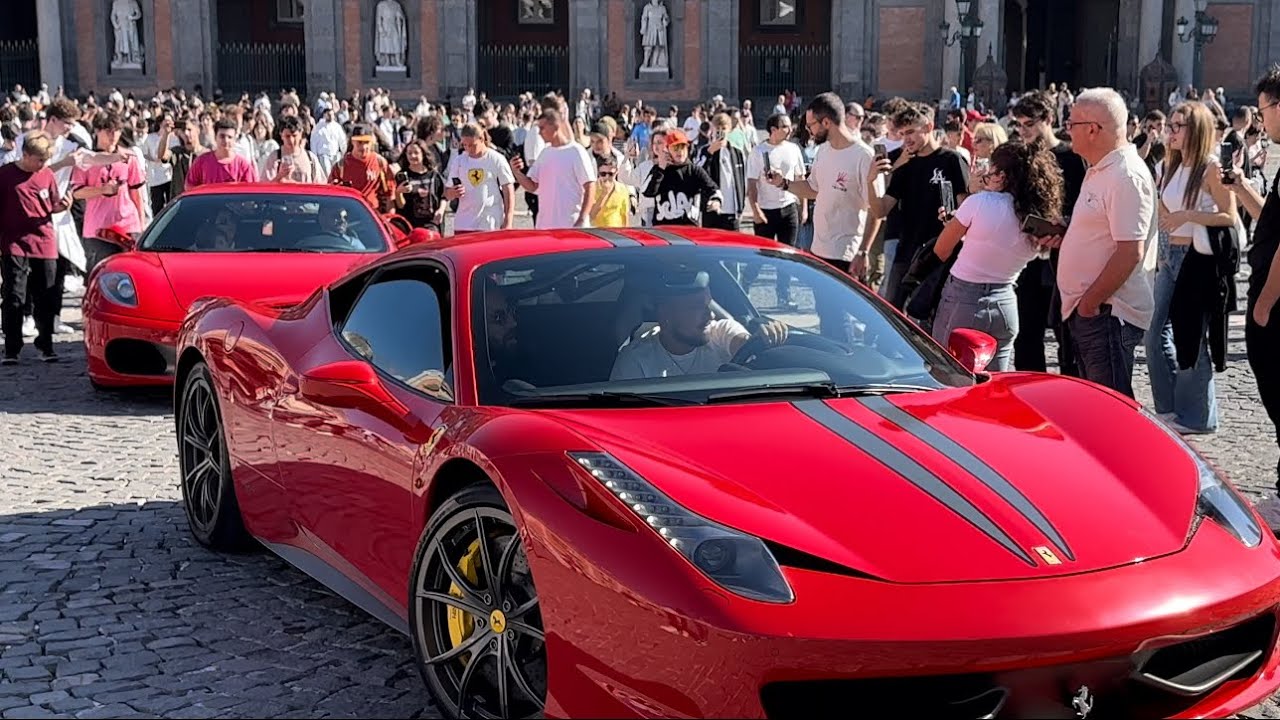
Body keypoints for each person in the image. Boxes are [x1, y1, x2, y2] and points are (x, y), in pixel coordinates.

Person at [1050, 88, 1157, 398]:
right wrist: (1067, 231)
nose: (1067, 130)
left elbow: (1129, 251)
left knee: (1111, 409)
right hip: (1094, 311)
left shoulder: (1125, 175)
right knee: (1094, 407)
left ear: (1093, 129)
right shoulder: (1101, 169)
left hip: (1108, 313)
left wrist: (1090, 303)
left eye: (1071, 124)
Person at [927, 142, 1065, 370]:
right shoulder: (1033, 217)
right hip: (1005, 300)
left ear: (1001, 175)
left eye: (990, 172)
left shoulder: (979, 202)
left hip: (964, 297)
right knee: (994, 384)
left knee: (949, 373)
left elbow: (941, 250)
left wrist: (954, 224)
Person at [1146, 101, 1238, 435]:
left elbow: (1229, 217)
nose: (1169, 132)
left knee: (1191, 336)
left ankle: (1198, 416)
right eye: (1169, 125)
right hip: (1169, 254)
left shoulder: (1209, 167)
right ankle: (1170, 407)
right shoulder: (1170, 165)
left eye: (1176, 126)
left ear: (1194, 130)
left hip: (1196, 258)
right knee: (1154, 334)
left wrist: (1188, 216)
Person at [1226, 67, 1280, 531]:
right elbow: (1273, 223)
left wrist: (1263, 303)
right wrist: (1242, 187)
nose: (1261, 121)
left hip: (1277, 305)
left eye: (1264, 111)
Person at [610, 270, 786, 380]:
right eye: (695, 308)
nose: (710, 315)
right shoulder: (636, 361)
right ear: (665, 316)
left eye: (708, 305)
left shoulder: (721, 332)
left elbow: (745, 343)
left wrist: (765, 338)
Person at [1, 132, 69, 364]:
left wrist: (64, 205)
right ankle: (12, 348)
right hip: (14, 242)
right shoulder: (6, 175)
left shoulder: (46, 174)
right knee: (14, 296)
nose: (42, 165)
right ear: (26, 155)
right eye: (38, 160)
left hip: (44, 241)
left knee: (46, 294)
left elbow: (52, 205)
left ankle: (45, 345)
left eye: (45, 161)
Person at [329, 124, 395, 213]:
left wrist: (388, 218)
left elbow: (390, 194)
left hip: (373, 215)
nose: (363, 147)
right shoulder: (341, 165)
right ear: (352, 142)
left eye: (367, 142)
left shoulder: (380, 162)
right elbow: (331, 194)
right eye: (359, 142)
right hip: (350, 215)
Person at [185, 118, 259, 188]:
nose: (226, 140)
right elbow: (190, 188)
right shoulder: (201, 162)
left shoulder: (243, 166)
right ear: (215, 137)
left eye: (230, 137)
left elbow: (250, 192)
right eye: (222, 136)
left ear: (235, 139)